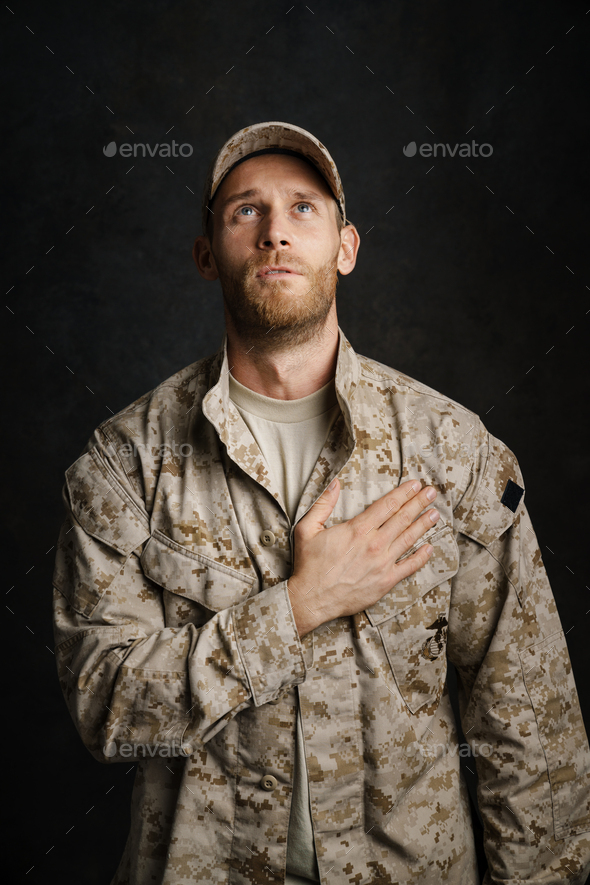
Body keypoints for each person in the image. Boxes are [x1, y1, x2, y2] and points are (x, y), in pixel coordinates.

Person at [52, 121, 590, 884]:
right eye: (245, 210)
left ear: (347, 247)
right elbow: (107, 706)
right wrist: (298, 607)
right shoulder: (126, 463)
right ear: (206, 255)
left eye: (304, 208)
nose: (275, 232)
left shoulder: (453, 453)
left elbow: (529, 730)